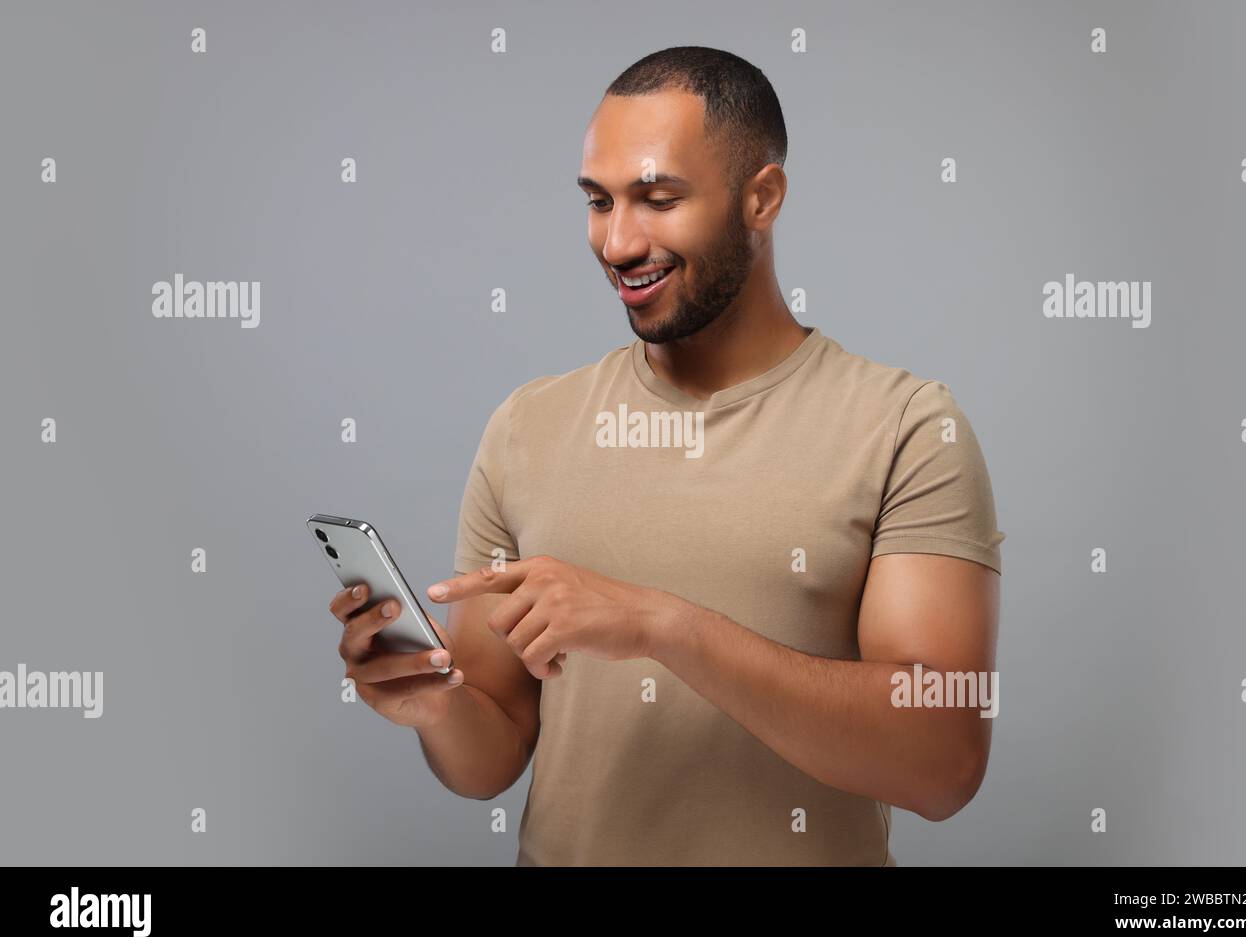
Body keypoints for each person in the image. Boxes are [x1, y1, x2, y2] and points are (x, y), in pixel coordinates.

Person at [332, 45, 1005, 866]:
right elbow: (492, 756)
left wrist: (660, 625)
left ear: (763, 198)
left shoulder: (905, 426)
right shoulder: (527, 426)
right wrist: (432, 702)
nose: (617, 243)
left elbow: (941, 760)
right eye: (598, 201)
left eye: (657, 198)